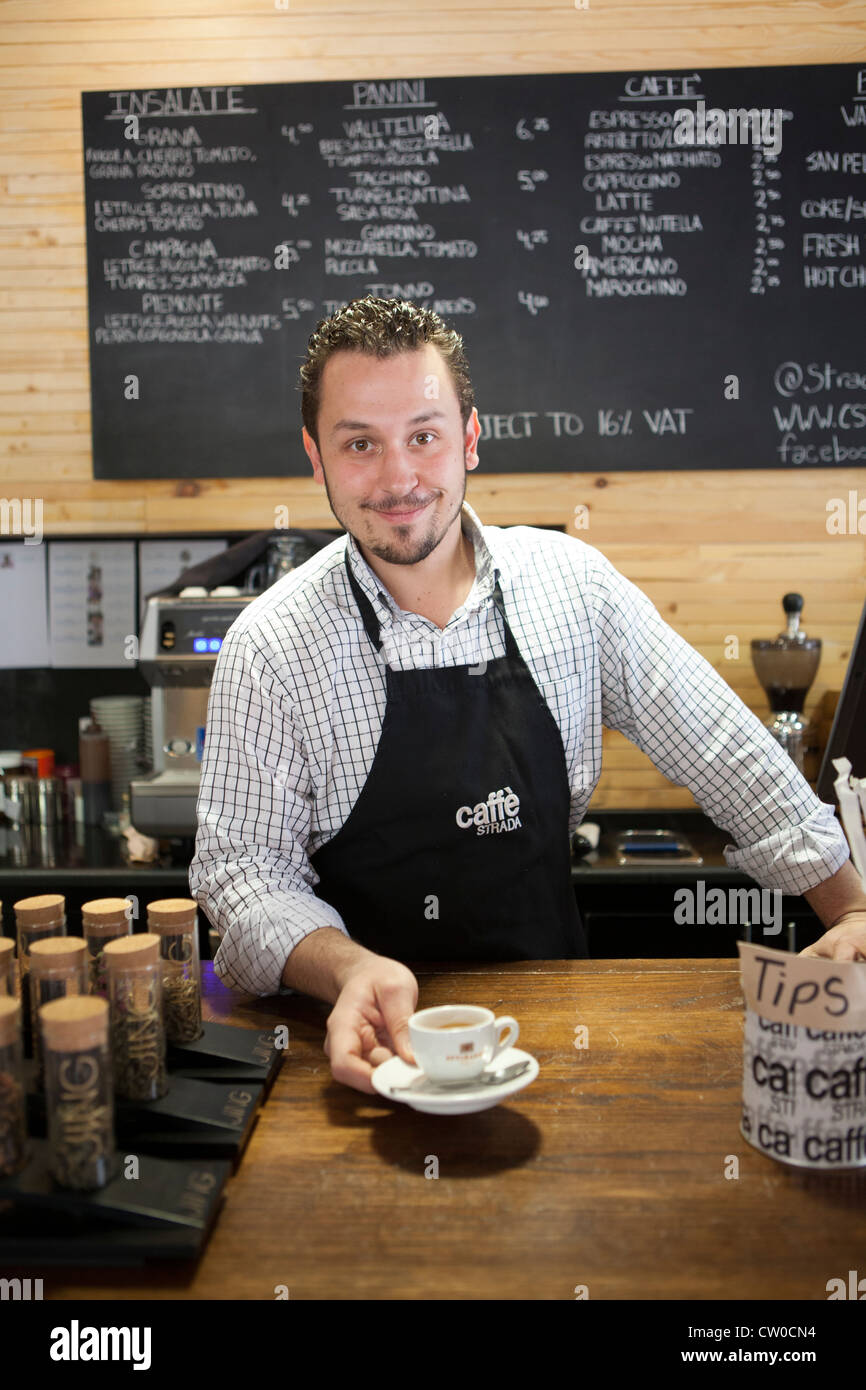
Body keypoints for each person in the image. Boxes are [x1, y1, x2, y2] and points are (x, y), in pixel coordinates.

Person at [189, 295, 866, 1095]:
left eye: (425, 435)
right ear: (316, 457)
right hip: (356, 1049)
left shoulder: (572, 589)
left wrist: (850, 912)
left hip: (556, 1039)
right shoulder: (272, 646)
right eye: (360, 444)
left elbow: (724, 750)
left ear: (470, 438)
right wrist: (348, 971)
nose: (399, 476)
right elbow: (241, 872)